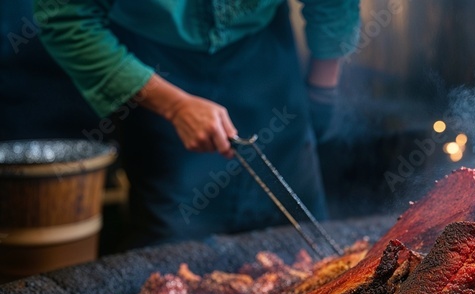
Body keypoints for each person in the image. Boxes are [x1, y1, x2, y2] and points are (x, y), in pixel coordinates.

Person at [35, 0, 360, 248]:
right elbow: (65, 18)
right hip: (154, 65)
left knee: (306, 248)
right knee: (175, 249)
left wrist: (321, 92)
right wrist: (174, 106)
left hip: (265, 52)